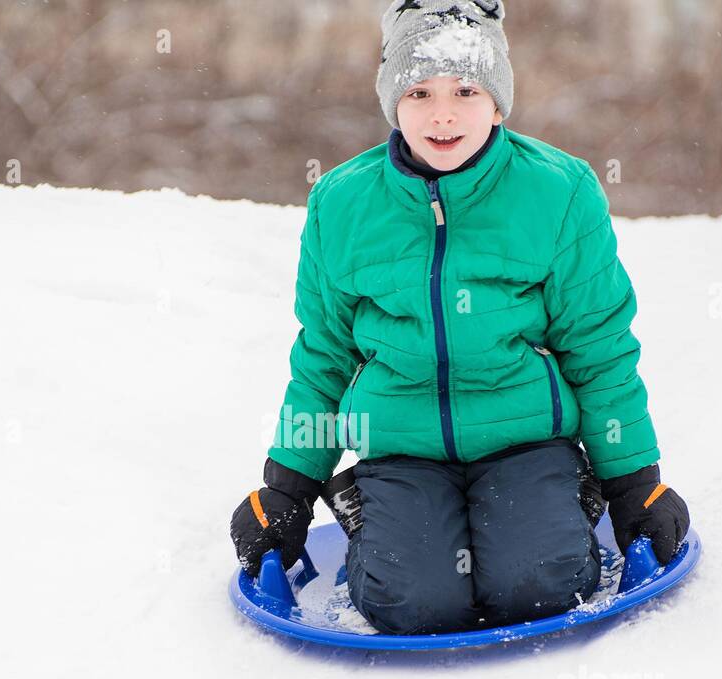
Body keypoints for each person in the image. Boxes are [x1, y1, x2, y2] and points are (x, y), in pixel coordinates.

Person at [231, 0, 689, 635]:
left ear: (498, 102)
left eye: (466, 89)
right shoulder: (342, 204)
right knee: (414, 605)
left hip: (527, 442)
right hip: (401, 450)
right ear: (393, 102)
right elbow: (325, 359)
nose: (442, 113)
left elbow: (599, 348)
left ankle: (564, 504)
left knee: (537, 584)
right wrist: (288, 489)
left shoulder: (559, 192)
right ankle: (379, 522)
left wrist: (634, 483)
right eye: (418, 91)